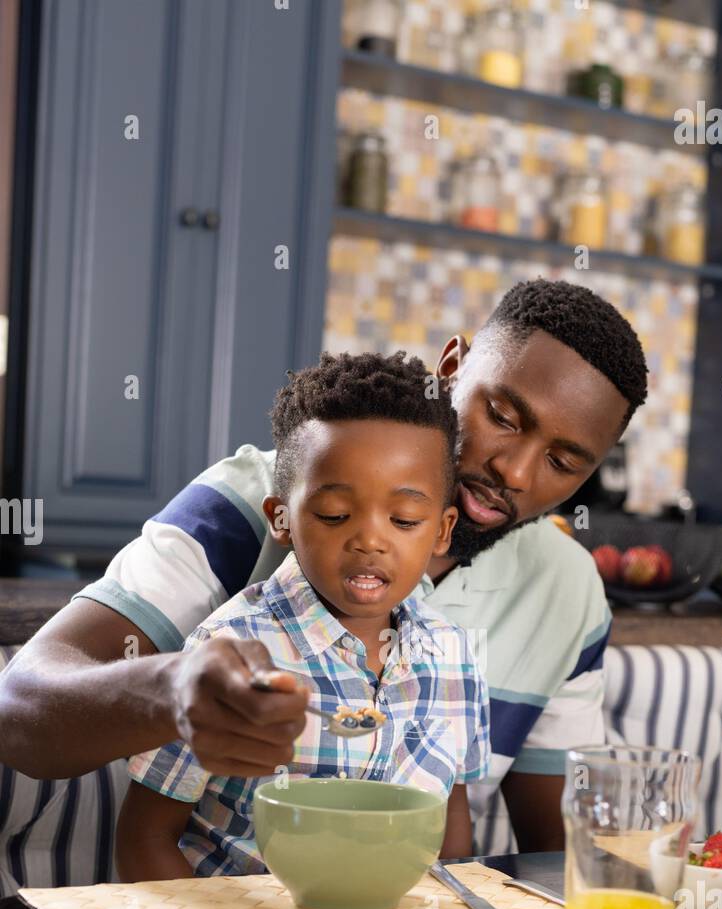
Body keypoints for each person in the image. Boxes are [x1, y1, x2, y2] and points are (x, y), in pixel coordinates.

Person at [0, 279, 648, 860]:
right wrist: (173, 689)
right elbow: (18, 708)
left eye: (563, 463)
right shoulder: (245, 504)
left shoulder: (566, 589)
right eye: (501, 416)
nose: (515, 470)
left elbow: (554, 855)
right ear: (449, 370)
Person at [115, 352, 488, 878]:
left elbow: (451, 820)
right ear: (282, 518)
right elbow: (146, 836)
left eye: (404, 520)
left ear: (443, 530)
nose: (370, 539)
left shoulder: (454, 656)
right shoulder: (231, 652)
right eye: (335, 515)